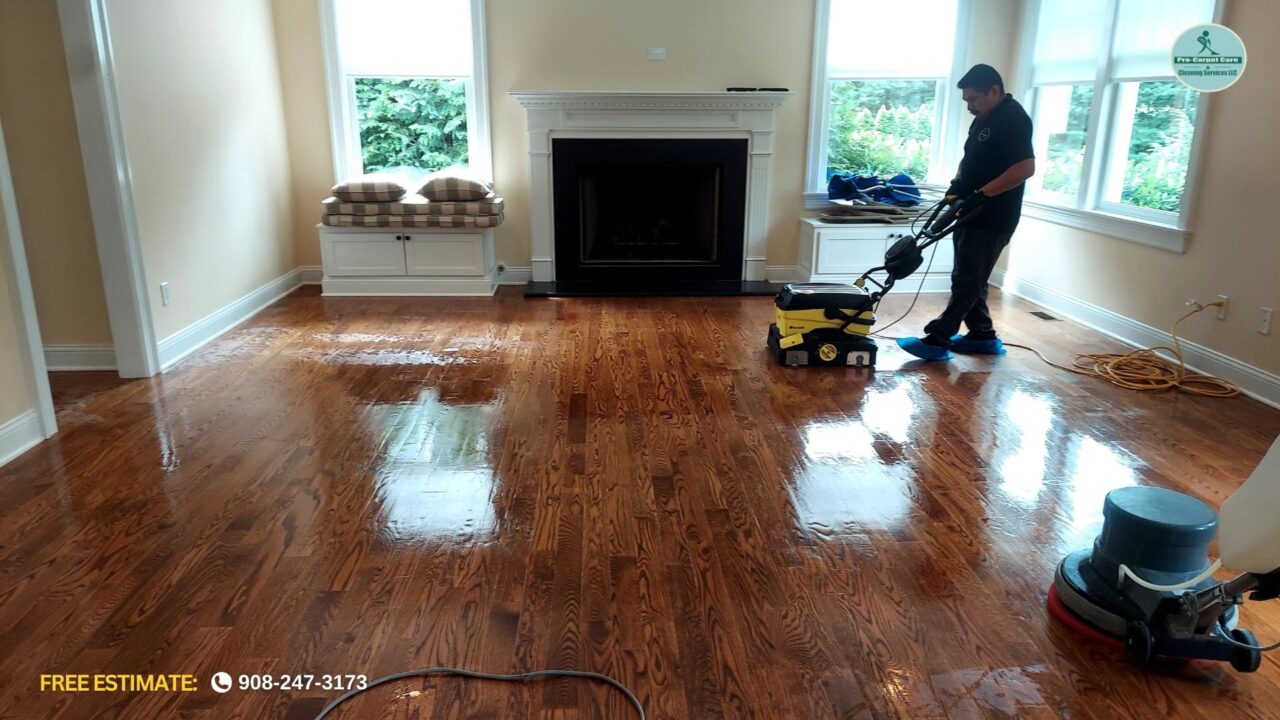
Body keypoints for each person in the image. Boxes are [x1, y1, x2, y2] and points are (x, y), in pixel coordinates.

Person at [898, 64, 1035, 361]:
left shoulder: (1013, 119)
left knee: (968, 278)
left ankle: (938, 338)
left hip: (992, 215)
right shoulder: (985, 117)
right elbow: (971, 159)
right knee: (970, 275)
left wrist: (983, 194)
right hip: (968, 207)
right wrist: (957, 186)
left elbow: (1025, 168)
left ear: (994, 91)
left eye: (974, 99)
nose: (970, 106)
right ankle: (982, 335)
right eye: (967, 101)